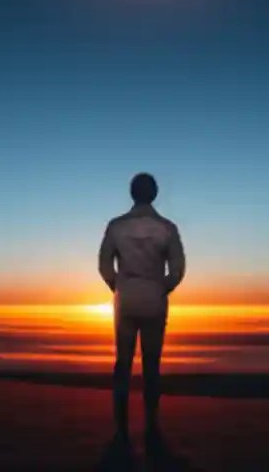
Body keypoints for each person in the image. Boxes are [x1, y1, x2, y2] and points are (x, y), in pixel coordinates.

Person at [98, 172, 185, 446]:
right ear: (155, 194)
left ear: (132, 193)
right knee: (151, 366)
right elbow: (178, 270)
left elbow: (104, 265)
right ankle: (151, 426)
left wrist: (118, 287)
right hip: (153, 300)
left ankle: (121, 430)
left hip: (126, 300)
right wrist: (162, 288)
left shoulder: (116, 226)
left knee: (123, 365)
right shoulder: (167, 228)